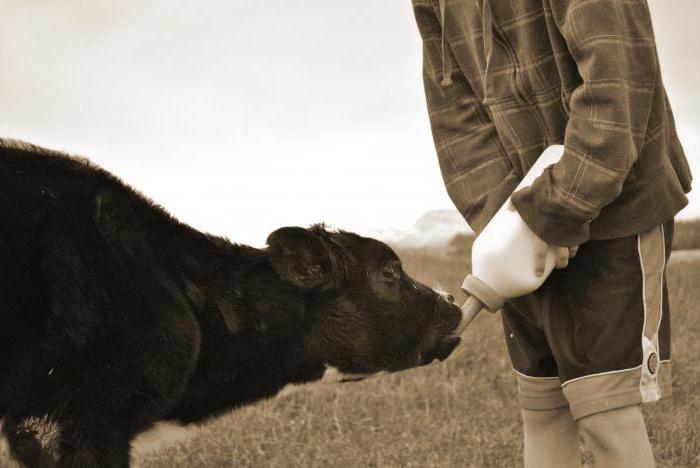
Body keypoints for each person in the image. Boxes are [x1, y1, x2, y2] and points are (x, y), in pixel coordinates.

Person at [411, 0, 693, 467]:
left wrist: (555, 212)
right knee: (542, 407)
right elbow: (456, 117)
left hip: (616, 206)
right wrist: (509, 220)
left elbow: (615, 86)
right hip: (519, 218)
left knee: (605, 417)